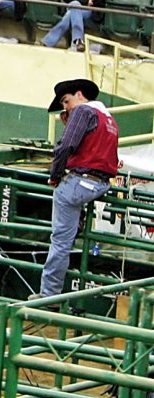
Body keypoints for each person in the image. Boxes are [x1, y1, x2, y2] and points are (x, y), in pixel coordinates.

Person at [38, 78, 118, 298]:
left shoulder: (83, 112)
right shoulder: (108, 118)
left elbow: (66, 146)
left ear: (79, 94)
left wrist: (55, 177)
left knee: (60, 240)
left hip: (79, 181)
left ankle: (49, 294)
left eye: (66, 101)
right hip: (101, 183)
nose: (66, 107)